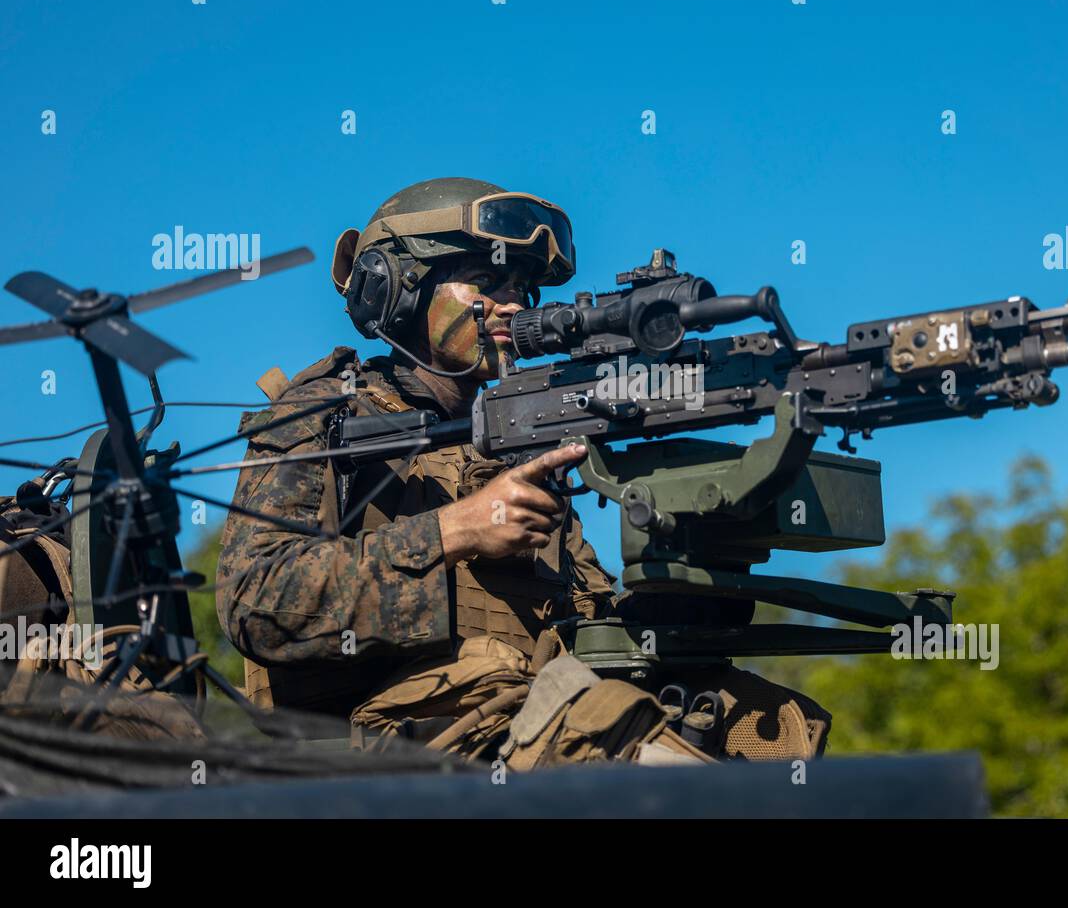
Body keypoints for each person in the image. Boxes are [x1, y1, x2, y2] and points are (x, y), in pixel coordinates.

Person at [216, 178, 828, 766]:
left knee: (764, 731)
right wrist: (453, 531)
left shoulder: (516, 445)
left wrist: (687, 585)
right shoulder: (324, 416)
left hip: (528, 717)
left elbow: (587, 623)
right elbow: (255, 602)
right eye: (485, 281)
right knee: (628, 749)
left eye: (523, 291)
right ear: (398, 292)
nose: (512, 307)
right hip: (382, 746)